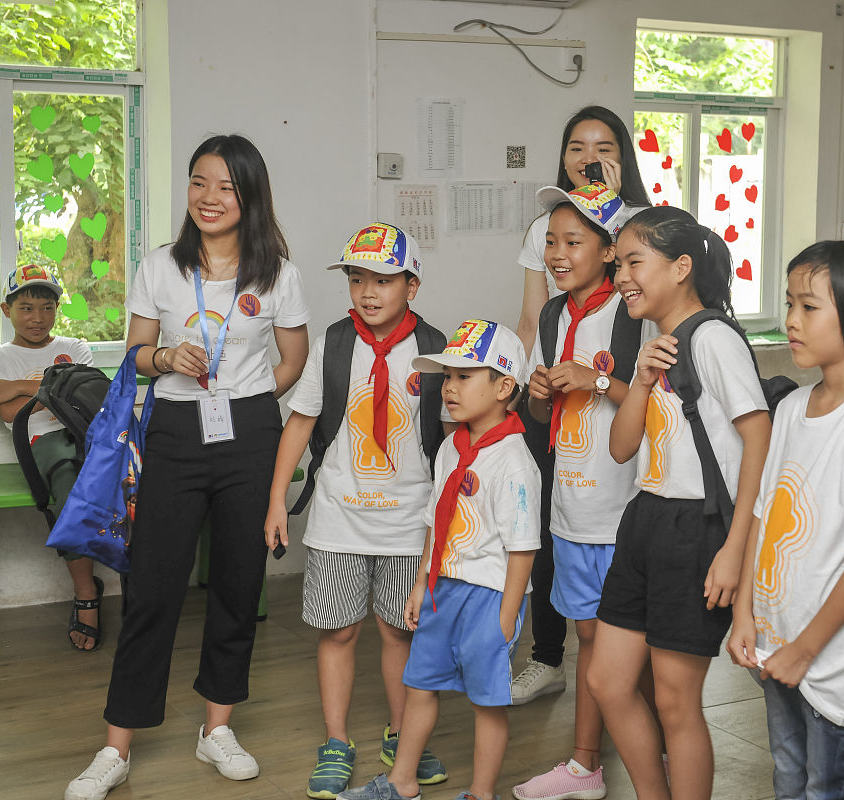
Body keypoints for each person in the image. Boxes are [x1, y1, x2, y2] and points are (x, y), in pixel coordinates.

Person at [65, 134, 310, 800]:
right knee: (152, 591)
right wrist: (168, 360)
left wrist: (250, 395)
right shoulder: (160, 267)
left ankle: (217, 730)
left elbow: (294, 358)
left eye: (226, 186)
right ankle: (115, 746)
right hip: (173, 429)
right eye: (200, 182)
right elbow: (136, 354)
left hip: (251, 433)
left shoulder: (278, 275)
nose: (209, 197)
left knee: (237, 584)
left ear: (250, 195)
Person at [586, 206, 772, 800]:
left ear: (682, 267)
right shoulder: (655, 339)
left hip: (697, 527)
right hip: (645, 517)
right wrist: (638, 381)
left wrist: (734, 550)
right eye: (618, 266)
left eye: (634, 262)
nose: (621, 277)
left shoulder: (714, 338)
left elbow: (759, 436)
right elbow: (620, 449)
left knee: (674, 698)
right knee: (608, 681)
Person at [262, 223, 449, 799]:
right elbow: (300, 420)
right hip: (339, 517)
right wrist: (275, 500)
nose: (368, 292)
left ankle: (402, 734)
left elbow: (455, 437)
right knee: (339, 633)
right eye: (357, 278)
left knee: (400, 631)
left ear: (411, 287)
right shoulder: (334, 343)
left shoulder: (439, 349)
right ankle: (337, 741)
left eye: (384, 280)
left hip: (407, 522)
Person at [727, 241, 844, 800]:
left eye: (809, 307)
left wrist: (804, 650)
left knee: (828, 788)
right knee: (788, 777)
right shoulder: (789, 408)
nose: (790, 321)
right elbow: (763, 512)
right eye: (789, 304)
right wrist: (743, 613)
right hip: (775, 645)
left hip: (832, 665)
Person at [339, 320, 540, 800]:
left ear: (504, 386)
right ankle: (400, 781)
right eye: (446, 376)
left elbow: (523, 547)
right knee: (419, 685)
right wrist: (420, 583)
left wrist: (506, 617)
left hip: (489, 596)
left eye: (464, 376)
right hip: (442, 589)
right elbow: (436, 521)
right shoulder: (452, 446)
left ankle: (481, 793)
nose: (448, 387)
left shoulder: (514, 461)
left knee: (487, 703)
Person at [511, 105, 652, 706]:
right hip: (572, 453)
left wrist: (619, 223)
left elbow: (652, 377)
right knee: (559, 548)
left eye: (603, 146)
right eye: (576, 146)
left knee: (624, 624)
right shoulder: (555, 295)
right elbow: (536, 319)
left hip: (625, 472)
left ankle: (636, 719)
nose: (588, 158)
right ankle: (555, 668)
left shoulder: (645, 232)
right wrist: (527, 390)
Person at [0, 264, 101, 651]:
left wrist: (15, 387)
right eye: (27, 308)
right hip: (42, 443)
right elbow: (12, 414)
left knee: (141, 479)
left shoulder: (76, 347)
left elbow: (86, 400)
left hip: (89, 434)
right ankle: (87, 594)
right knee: (68, 484)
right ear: (6, 310)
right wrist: (59, 383)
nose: (37, 318)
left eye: (47, 308)